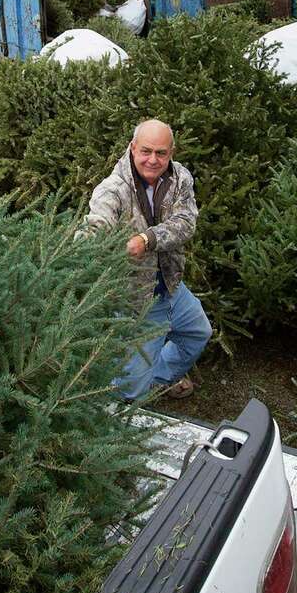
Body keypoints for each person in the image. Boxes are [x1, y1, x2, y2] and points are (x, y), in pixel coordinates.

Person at [80, 119, 212, 400]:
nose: (153, 160)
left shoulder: (180, 178)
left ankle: (158, 379)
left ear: (171, 152)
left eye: (161, 153)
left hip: (172, 288)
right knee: (130, 389)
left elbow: (186, 222)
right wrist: (86, 246)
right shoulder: (112, 189)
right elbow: (97, 225)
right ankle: (126, 412)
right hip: (137, 301)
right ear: (132, 148)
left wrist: (145, 240)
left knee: (198, 333)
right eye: (146, 151)